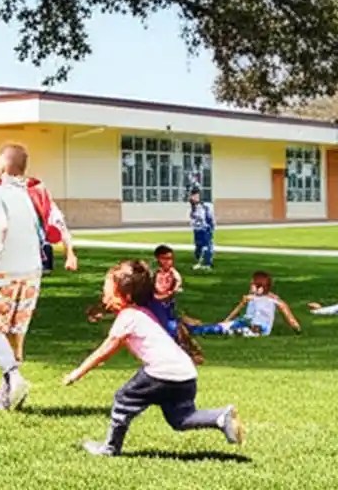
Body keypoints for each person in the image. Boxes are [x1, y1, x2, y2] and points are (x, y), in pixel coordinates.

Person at [63, 260, 245, 457]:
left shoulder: (128, 317)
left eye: (108, 291)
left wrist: (77, 373)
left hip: (162, 372)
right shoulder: (142, 313)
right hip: (185, 374)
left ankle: (110, 448)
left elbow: (104, 351)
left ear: (127, 295)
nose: (105, 296)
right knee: (181, 418)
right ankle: (220, 417)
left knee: (124, 399)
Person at [0, 143, 77, 411]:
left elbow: (1, 225)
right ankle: (5, 395)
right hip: (32, 270)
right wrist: (69, 252)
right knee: (16, 329)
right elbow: (57, 221)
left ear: (4, 164)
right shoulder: (34, 194)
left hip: (2, 270)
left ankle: (13, 376)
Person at [186, 271, 301, 337]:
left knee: (219, 329)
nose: (250, 286)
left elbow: (288, 316)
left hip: (255, 328)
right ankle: (192, 327)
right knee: (220, 327)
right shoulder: (256, 298)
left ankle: (192, 328)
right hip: (243, 323)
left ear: (260, 287)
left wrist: (296, 328)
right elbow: (290, 318)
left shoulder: (270, 300)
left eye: (253, 284)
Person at [188, 188, 216, 271]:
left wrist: (210, 227)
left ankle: (207, 263)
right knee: (198, 247)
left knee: (207, 246)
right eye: (193, 195)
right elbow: (192, 218)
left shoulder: (205, 206)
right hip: (197, 229)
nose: (194, 197)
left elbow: (209, 218)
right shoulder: (193, 207)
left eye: (196, 195)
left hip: (205, 229)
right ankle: (200, 262)